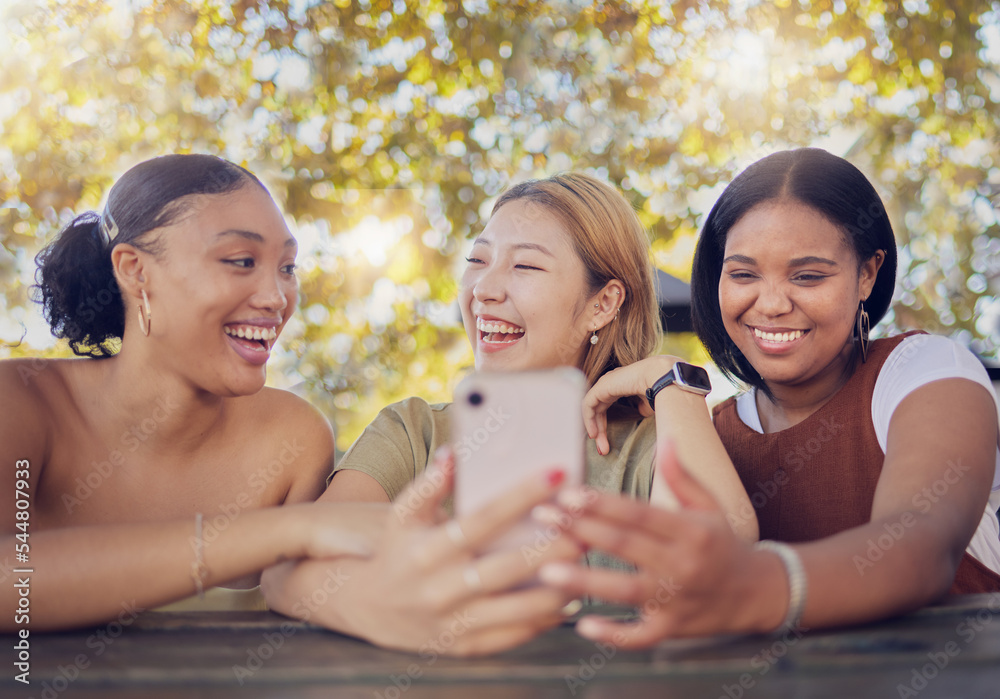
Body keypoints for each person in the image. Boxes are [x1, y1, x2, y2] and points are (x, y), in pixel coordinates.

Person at [262, 173, 757, 653]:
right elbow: (289, 569)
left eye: (525, 267)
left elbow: (726, 561)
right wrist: (389, 606)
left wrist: (673, 383)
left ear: (602, 304)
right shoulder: (413, 432)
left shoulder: (654, 443)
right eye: (477, 260)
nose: (484, 290)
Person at [534, 148, 1000, 647]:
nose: (772, 304)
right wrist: (671, 380)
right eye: (743, 275)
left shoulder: (925, 373)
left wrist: (756, 586)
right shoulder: (713, 434)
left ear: (867, 274)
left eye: (808, 276)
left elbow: (918, 547)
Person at [0, 154, 386, 629]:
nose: (276, 298)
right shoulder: (19, 403)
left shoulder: (294, 439)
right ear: (135, 271)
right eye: (242, 261)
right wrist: (280, 532)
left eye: (287, 267)